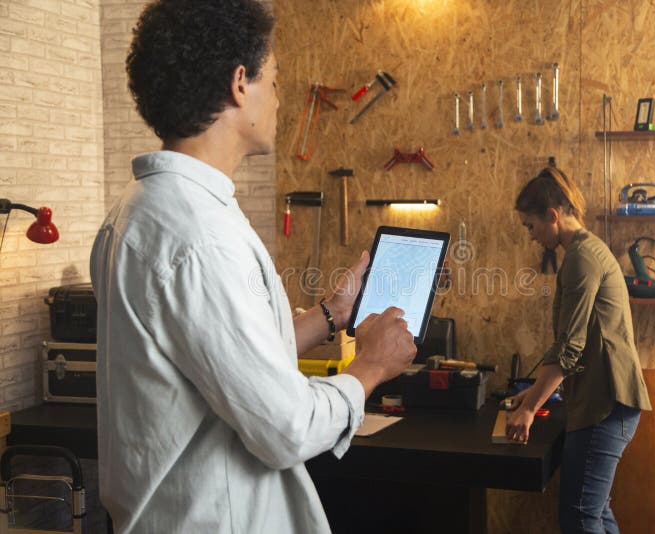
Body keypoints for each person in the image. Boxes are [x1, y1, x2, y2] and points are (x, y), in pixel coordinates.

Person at [89, 1, 417, 532]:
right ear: (240, 84)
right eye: (277, 79)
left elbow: (231, 359)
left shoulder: (142, 211)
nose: (282, 98)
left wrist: (331, 313)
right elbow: (285, 427)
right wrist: (372, 367)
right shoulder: (198, 236)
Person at [504, 166, 652, 534]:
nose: (531, 235)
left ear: (552, 217)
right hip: (606, 403)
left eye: (531, 226)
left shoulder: (581, 259)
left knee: (580, 518)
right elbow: (571, 345)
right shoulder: (584, 251)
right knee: (595, 514)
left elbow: (569, 348)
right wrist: (530, 398)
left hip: (606, 405)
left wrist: (530, 409)